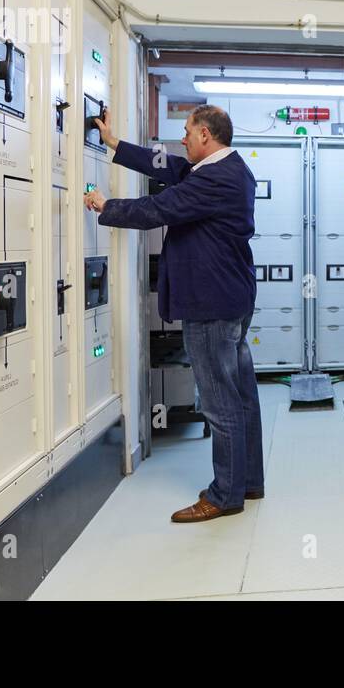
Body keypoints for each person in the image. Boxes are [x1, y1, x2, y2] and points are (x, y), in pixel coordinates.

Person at [83, 105, 263, 523]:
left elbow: (159, 209)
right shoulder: (227, 169)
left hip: (212, 304)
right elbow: (172, 167)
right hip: (232, 299)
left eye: (186, 132)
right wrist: (115, 145)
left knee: (220, 401)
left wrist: (106, 206)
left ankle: (224, 495)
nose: (181, 139)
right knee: (239, 395)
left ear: (205, 135)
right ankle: (246, 480)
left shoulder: (215, 180)